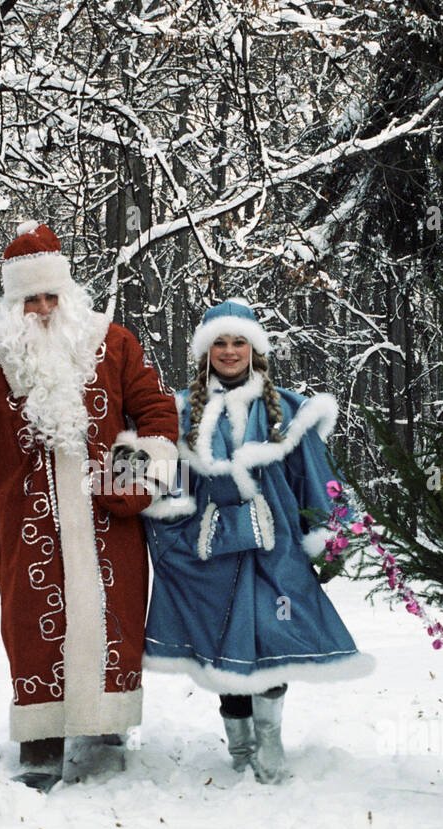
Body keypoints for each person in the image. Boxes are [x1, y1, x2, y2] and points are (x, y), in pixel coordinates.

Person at [0, 220, 180, 790]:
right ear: (12, 303)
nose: (40, 307)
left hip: (106, 514)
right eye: (28, 297)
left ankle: (107, 723)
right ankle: (40, 741)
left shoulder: (113, 342)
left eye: (49, 295)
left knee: (114, 616)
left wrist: (137, 472)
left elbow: (158, 412)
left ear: (67, 294)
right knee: (32, 622)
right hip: (24, 519)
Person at [140, 300, 375, 783]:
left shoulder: (288, 409)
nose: (229, 352)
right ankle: (240, 741)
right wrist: (171, 536)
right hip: (211, 549)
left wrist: (329, 535)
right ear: (206, 351)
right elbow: (164, 484)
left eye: (239, 342)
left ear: (255, 349)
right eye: (220, 343)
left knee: (273, 635)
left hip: (276, 546)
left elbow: (314, 477)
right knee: (223, 638)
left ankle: (269, 740)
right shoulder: (179, 413)